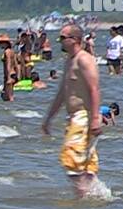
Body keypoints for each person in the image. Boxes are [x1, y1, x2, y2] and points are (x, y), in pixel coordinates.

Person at [42, 25, 103, 199]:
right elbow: (62, 93)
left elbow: (94, 89)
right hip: (73, 118)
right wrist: (48, 119)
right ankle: (92, 197)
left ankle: (82, 196)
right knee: (84, 162)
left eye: (63, 37)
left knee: (70, 158)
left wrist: (96, 118)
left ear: (75, 39)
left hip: (84, 116)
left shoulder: (85, 59)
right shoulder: (69, 60)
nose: (60, 41)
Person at [0, 33, 16, 102]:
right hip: (12, 74)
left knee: (9, 97)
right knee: (6, 96)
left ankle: (12, 110)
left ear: (5, 43)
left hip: (9, 75)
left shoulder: (7, 52)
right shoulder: (11, 51)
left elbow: (8, 64)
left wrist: (9, 77)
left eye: (0, 43)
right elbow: (16, 63)